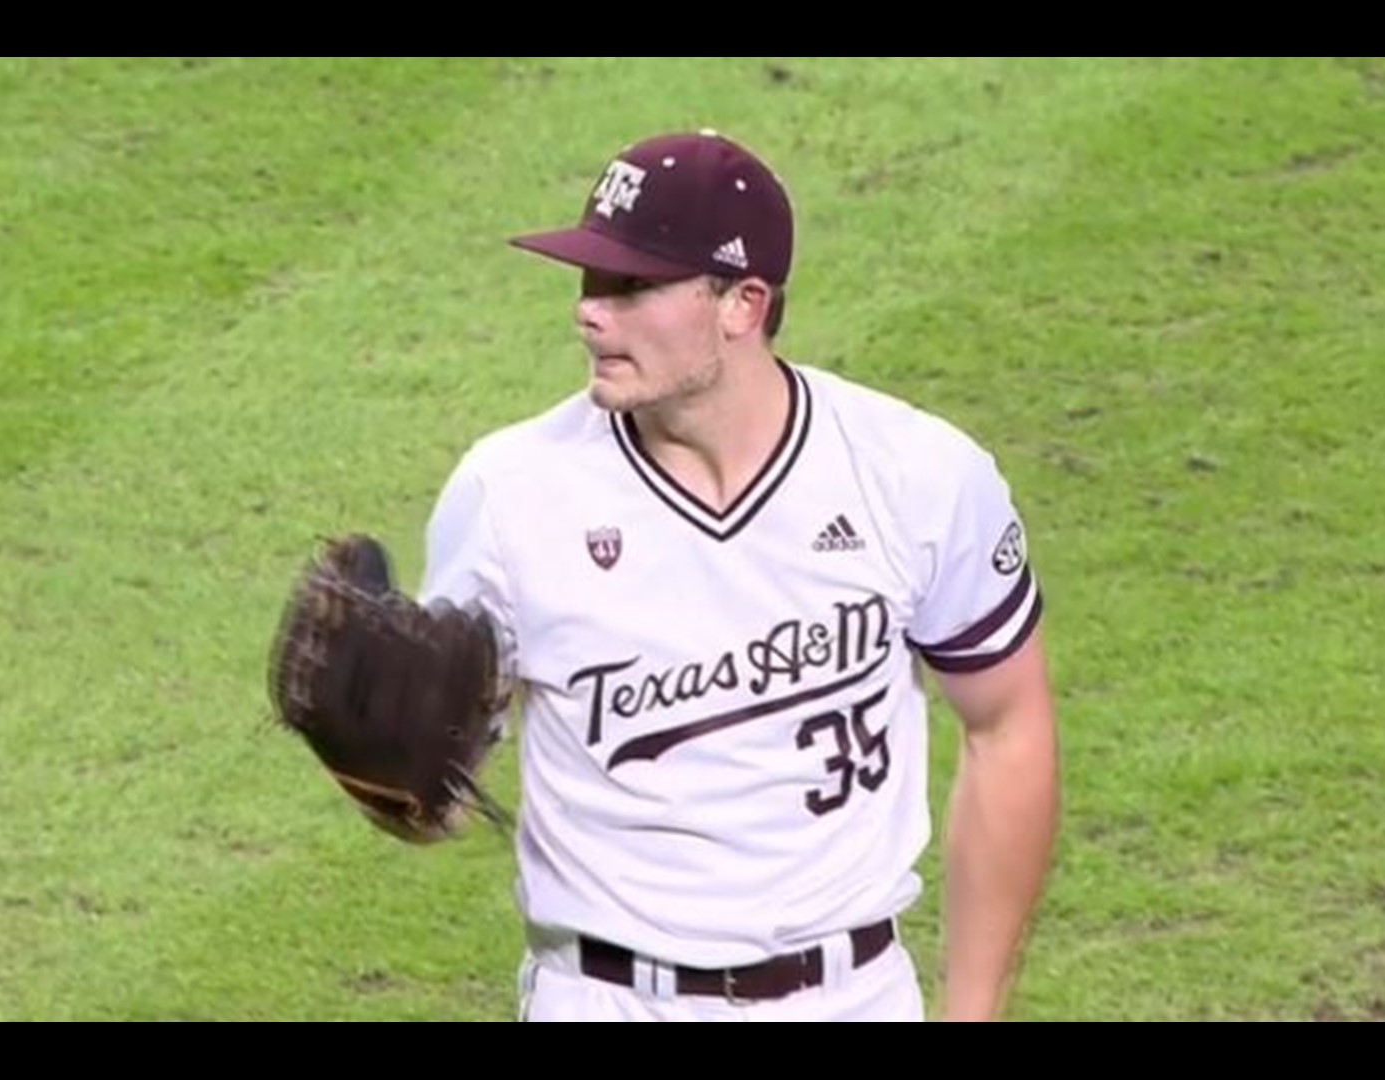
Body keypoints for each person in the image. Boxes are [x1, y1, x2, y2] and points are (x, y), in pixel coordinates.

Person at [416, 129, 1059, 1022]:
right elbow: (435, 801)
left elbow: (1008, 724)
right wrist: (381, 774)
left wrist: (973, 1014)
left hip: (853, 1000)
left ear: (741, 302)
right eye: (589, 280)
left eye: (631, 285)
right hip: (607, 1001)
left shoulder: (915, 475)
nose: (590, 313)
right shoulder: (508, 496)